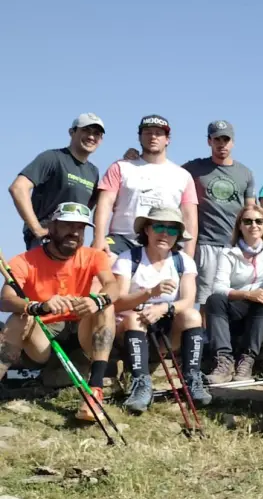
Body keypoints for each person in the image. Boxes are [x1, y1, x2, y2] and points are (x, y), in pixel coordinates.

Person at [0, 203, 118, 421]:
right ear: (52, 227)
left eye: (80, 228)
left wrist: (96, 301)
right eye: (67, 225)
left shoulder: (94, 256)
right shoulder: (25, 260)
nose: (74, 232)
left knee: (106, 305)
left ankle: (95, 392)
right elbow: (6, 299)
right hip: (43, 337)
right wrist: (38, 306)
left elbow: (112, 285)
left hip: (81, 333)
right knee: (19, 318)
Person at [110, 207, 210, 413]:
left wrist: (164, 307)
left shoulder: (183, 261)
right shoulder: (128, 258)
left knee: (192, 316)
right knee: (133, 319)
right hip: (131, 332)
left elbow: (188, 301)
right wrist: (149, 293)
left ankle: (192, 378)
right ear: (147, 230)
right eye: (159, 227)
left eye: (173, 230)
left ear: (178, 236)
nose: (165, 234)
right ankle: (141, 384)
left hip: (165, 332)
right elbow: (117, 303)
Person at [205, 205, 263, 384]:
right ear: (240, 226)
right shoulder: (228, 251)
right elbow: (218, 287)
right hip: (239, 308)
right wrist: (248, 295)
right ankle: (223, 362)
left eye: (259, 221)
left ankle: (247, 361)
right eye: (247, 221)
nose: (253, 225)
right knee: (214, 300)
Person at [93, 115, 199, 258]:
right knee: (100, 267)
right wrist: (99, 239)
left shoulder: (183, 175)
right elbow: (104, 204)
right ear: (139, 137)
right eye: (148, 132)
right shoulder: (120, 166)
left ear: (167, 139)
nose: (153, 137)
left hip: (163, 242)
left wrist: (189, 255)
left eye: (159, 133)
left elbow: (189, 217)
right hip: (122, 239)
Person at [181, 121, 256, 307]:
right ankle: (205, 337)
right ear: (209, 141)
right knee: (206, 299)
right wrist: (134, 157)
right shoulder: (193, 168)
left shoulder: (245, 173)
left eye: (226, 139)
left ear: (233, 142)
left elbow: (251, 211)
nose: (221, 144)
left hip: (236, 246)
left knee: (234, 296)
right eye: (217, 139)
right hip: (207, 244)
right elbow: (164, 172)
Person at [10, 113, 104, 250]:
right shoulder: (52, 158)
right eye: (86, 130)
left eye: (96, 134)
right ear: (72, 132)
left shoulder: (93, 171)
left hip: (71, 242)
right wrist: (36, 229)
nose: (91, 137)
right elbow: (18, 188)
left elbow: (90, 205)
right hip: (47, 239)